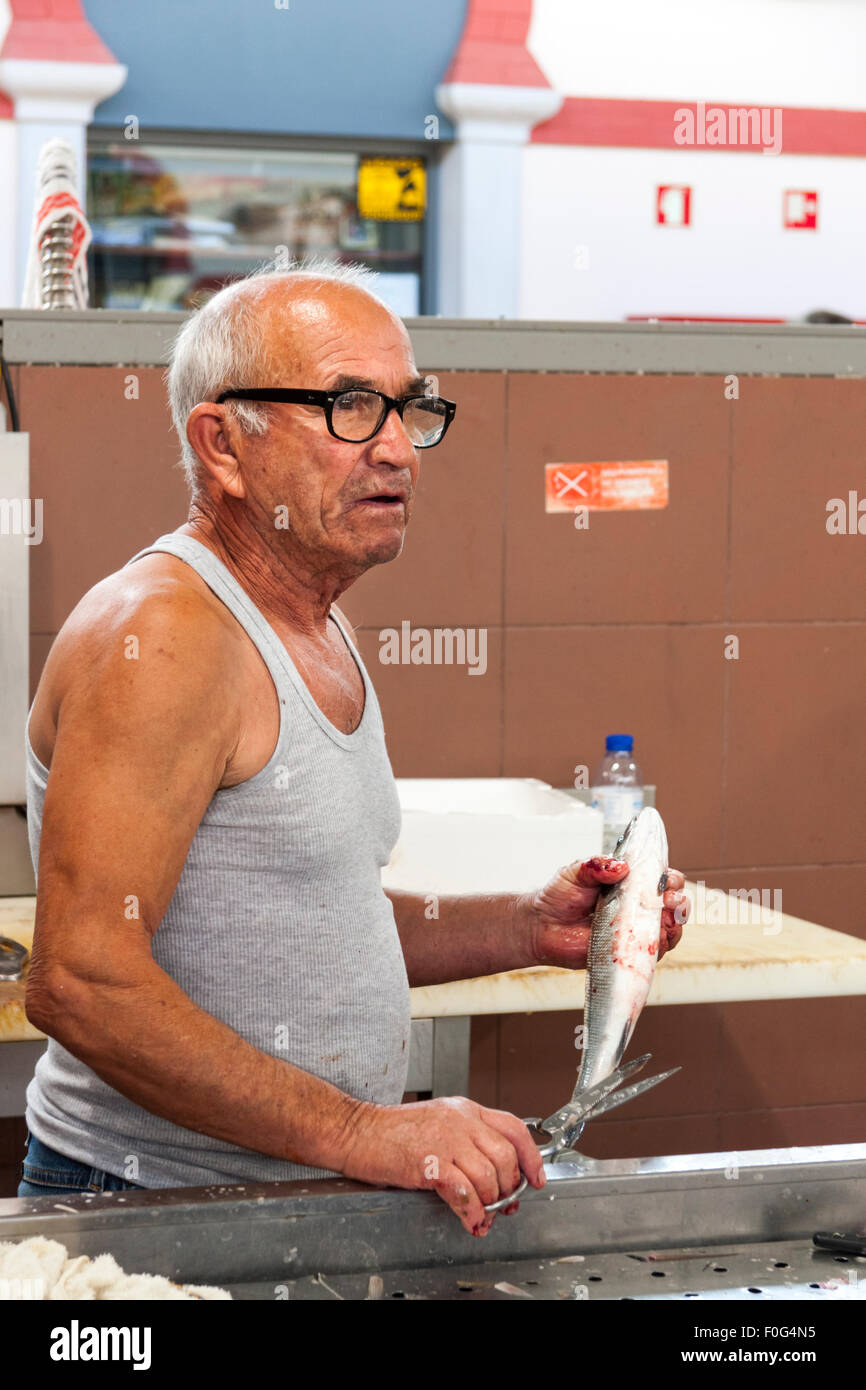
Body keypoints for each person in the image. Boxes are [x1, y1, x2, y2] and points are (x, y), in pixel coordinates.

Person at [21, 260, 689, 1237]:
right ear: (224, 444)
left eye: (407, 410)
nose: (399, 451)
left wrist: (518, 928)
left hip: (284, 1197)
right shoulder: (166, 639)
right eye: (347, 407)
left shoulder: (311, 625)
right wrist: (365, 1131)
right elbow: (81, 981)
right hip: (150, 1211)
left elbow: (306, 923)